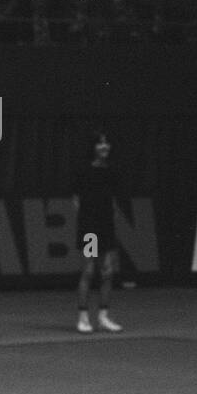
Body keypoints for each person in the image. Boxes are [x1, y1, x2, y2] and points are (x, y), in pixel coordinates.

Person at [72, 132, 123, 333]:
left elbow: (113, 201)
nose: (105, 147)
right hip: (90, 230)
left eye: (107, 143)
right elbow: (75, 199)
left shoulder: (112, 171)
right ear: (93, 148)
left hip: (106, 228)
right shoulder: (84, 170)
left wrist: (112, 222)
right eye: (100, 144)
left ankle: (103, 317)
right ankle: (83, 318)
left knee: (108, 272)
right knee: (89, 271)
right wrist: (86, 224)